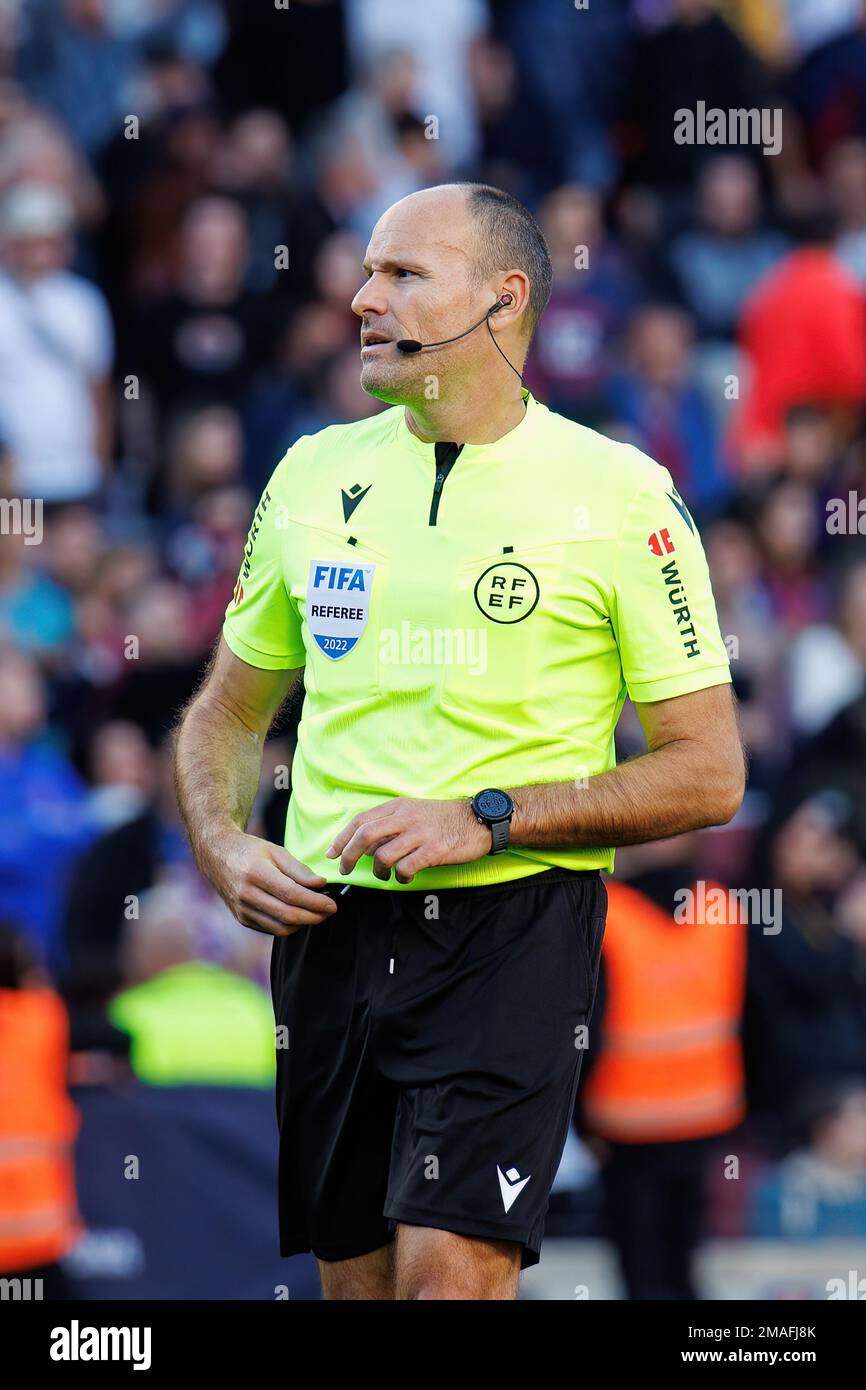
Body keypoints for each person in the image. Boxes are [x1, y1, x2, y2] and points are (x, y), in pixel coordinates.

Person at [174, 183, 745, 1301]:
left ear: (502, 299)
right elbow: (229, 712)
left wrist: (483, 816)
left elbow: (706, 770)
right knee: (363, 1289)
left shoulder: (621, 493)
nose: (360, 299)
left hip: (511, 924)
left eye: (399, 275)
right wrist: (220, 841)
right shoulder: (309, 474)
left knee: (447, 1282)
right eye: (364, 273)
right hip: (330, 927)